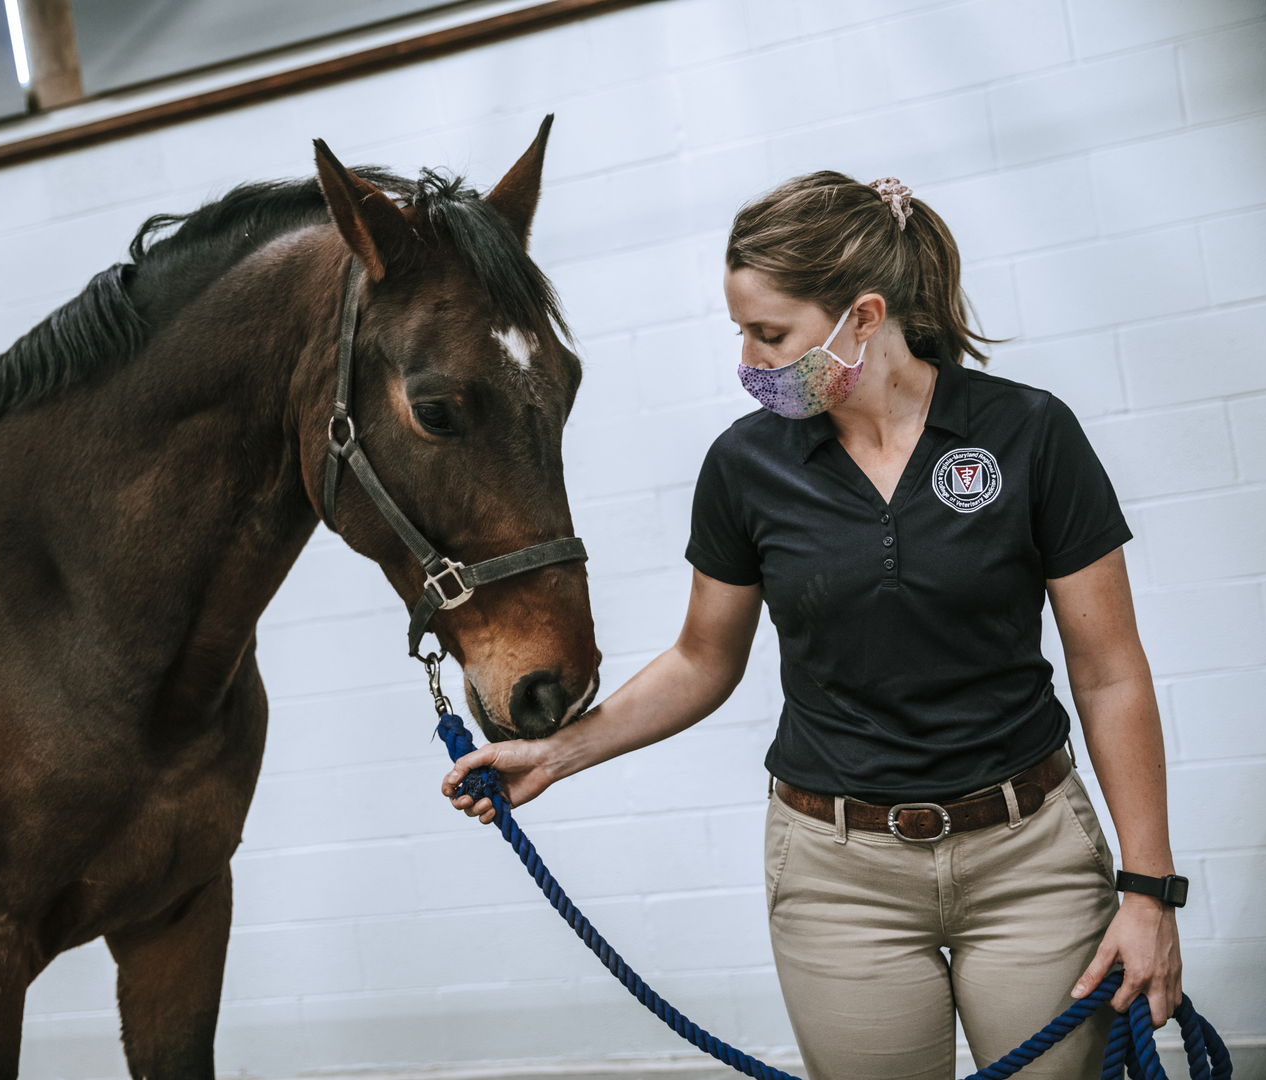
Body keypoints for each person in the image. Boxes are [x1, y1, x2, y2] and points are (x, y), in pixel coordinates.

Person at [442, 171, 1184, 1080]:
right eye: (740, 333)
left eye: (769, 334)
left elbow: (1110, 674)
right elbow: (702, 660)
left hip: (1031, 856)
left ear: (864, 317)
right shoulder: (745, 467)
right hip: (839, 878)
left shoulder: (1028, 433)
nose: (748, 360)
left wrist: (1149, 894)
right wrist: (556, 754)